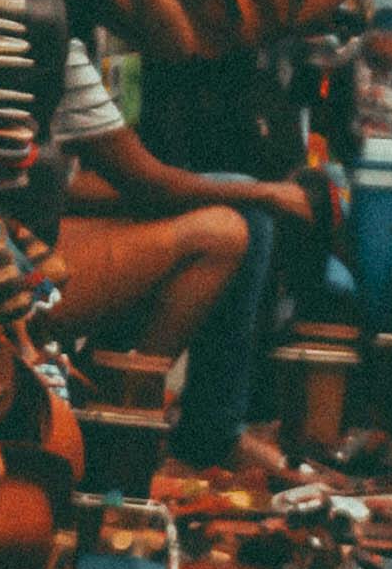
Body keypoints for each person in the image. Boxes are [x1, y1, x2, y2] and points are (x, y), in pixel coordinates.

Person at [52, 35, 307, 466]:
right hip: (31, 245)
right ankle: (123, 421)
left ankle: (193, 422)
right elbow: (142, 181)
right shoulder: (58, 44)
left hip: (74, 212)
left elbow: (170, 32)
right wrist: (263, 192)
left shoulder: (111, 47)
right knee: (231, 220)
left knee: (242, 210)